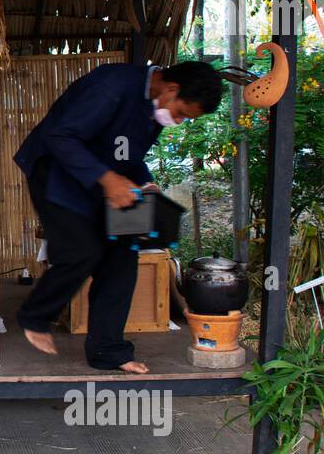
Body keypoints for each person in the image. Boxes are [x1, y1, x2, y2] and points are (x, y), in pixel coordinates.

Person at [13, 61, 223, 374]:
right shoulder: (112, 86)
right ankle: (35, 315)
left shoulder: (154, 107)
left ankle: (108, 351)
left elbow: (126, 155)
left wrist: (142, 179)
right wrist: (107, 179)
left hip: (100, 177)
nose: (178, 121)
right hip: (54, 170)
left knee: (123, 254)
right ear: (172, 89)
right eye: (182, 113)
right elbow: (60, 137)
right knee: (82, 249)